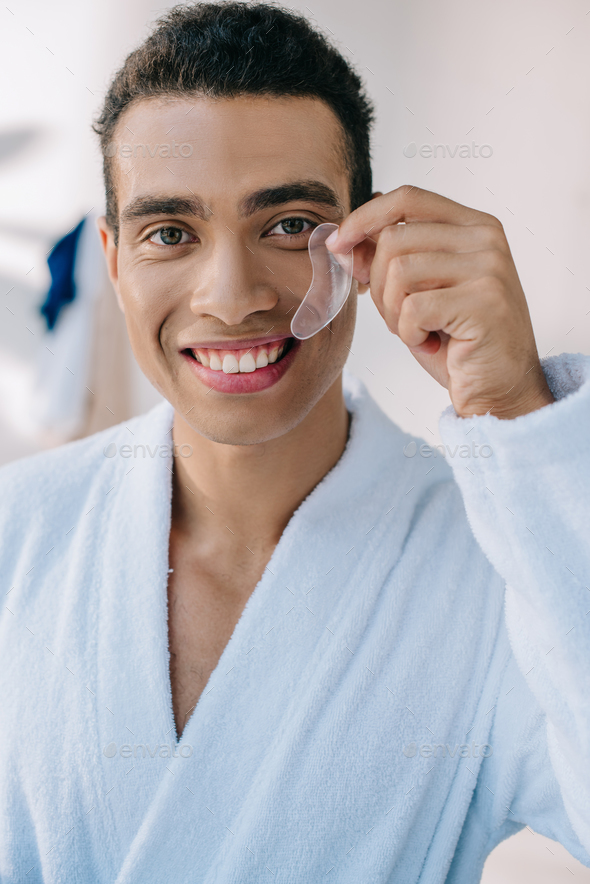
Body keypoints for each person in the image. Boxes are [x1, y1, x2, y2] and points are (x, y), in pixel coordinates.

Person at [0, 3, 588, 882]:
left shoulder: (502, 567)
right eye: (170, 232)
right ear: (115, 261)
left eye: (287, 226)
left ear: (369, 244)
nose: (233, 298)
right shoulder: (18, 532)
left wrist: (515, 410)